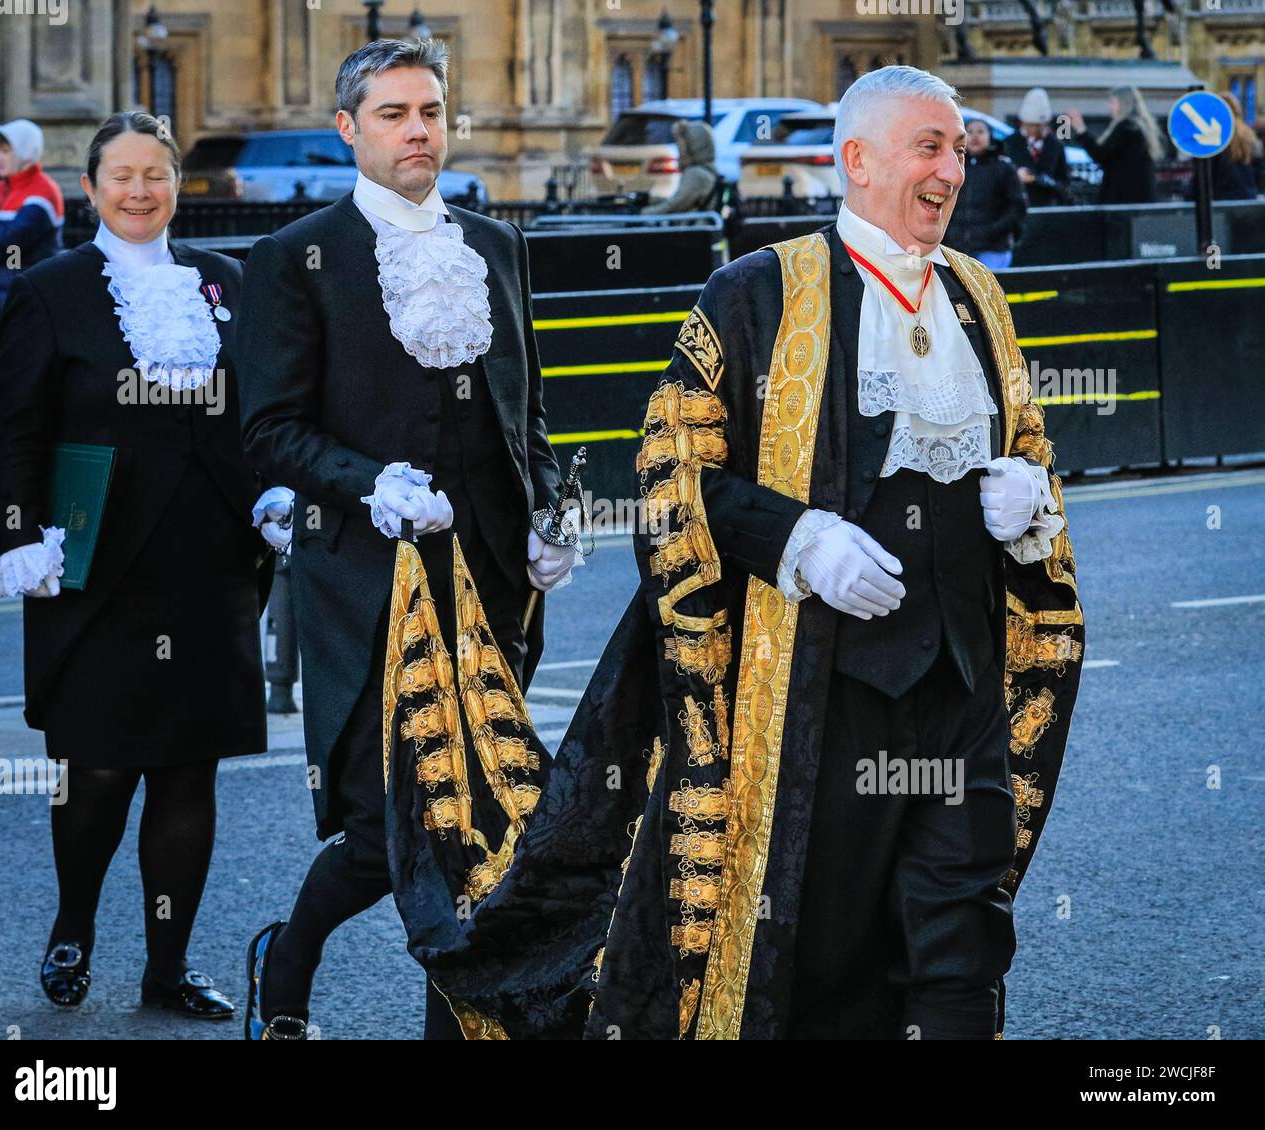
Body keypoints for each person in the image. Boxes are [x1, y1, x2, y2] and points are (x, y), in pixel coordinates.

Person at [387, 64, 1086, 1041]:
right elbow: (671, 471)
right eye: (929, 147)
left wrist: (1029, 503)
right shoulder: (757, 293)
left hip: (962, 693)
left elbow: (1030, 449)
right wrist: (796, 537)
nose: (952, 171)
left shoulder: (976, 294)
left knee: (962, 940)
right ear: (856, 159)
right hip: (822, 696)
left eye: (959, 151)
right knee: (823, 950)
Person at [236, 37, 570, 1041]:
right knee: (392, 826)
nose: (417, 128)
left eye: (429, 109)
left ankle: (456, 1023)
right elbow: (267, 428)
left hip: (495, 584)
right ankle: (287, 956)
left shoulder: (497, 246)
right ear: (349, 128)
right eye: (392, 113)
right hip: (369, 583)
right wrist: (366, 480)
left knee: (490, 820)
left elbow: (526, 413)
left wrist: (547, 508)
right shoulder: (293, 256)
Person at [0, 110, 281, 1020]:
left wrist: (272, 494)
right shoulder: (51, 291)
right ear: (91, 188)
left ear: (177, 185)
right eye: (123, 175)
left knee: (188, 772)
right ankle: (72, 927)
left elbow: (262, 414)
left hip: (210, 564)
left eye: (157, 173)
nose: (141, 189)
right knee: (98, 769)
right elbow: (18, 433)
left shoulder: (229, 282)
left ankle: (168, 966)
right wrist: (16, 534)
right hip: (97, 564)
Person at [0, 120, 64, 321]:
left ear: (25, 150)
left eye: (7, 151)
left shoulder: (44, 191)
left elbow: (12, 241)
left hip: (28, 306)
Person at [945, 118, 1028, 269]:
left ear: (990, 137)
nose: (975, 136)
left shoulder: (1004, 168)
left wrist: (994, 230)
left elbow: (1018, 206)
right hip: (956, 248)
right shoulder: (953, 166)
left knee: (983, 289)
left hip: (992, 248)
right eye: (969, 132)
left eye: (981, 131)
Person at [1067, 86, 1162, 205]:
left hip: (1123, 198)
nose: (1110, 107)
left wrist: (1081, 130)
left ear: (1123, 103)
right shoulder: (1138, 128)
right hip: (1138, 197)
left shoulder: (1126, 127)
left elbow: (1101, 154)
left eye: (1113, 102)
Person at [1002, 87, 1072, 207]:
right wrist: (1016, 176)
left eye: (1039, 126)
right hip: (1015, 207)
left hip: (1046, 207)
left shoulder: (1055, 146)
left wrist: (1041, 180)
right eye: (1030, 125)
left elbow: (1064, 183)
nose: (1034, 130)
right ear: (1022, 122)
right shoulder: (1009, 143)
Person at [643, 119, 718, 214]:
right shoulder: (706, 171)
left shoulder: (696, 174)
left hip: (692, 226)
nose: (679, 151)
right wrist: (652, 200)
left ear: (692, 146)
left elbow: (673, 207)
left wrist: (642, 213)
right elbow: (680, 200)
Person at [1205, 92, 1261, 201]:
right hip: (1248, 198)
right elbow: (1259, 169)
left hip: (1220, 200)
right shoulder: (1248, 135)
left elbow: (1207, 174)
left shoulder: (1214, 137)